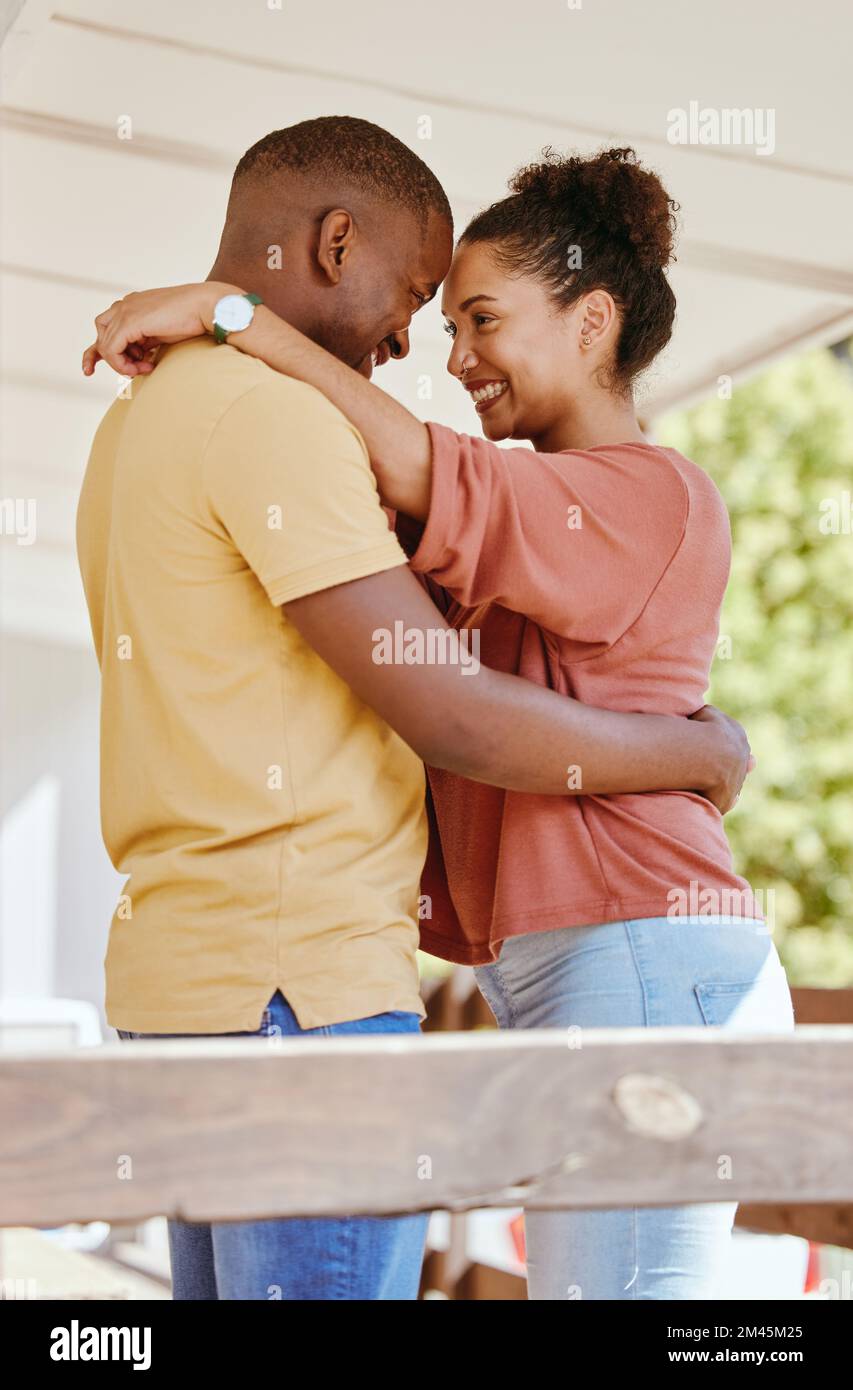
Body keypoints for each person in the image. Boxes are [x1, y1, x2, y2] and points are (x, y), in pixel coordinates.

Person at [81, 123, 755, 1301]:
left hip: (636, 937)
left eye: (476, 319)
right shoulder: (324, 450)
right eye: (433, 313)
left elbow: (428, 486)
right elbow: (440, 658)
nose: (435, 350)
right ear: (334, 241)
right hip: (482, 965)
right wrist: (697, 750)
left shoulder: (642, 491)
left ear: (591, 322)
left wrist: (241, 319)